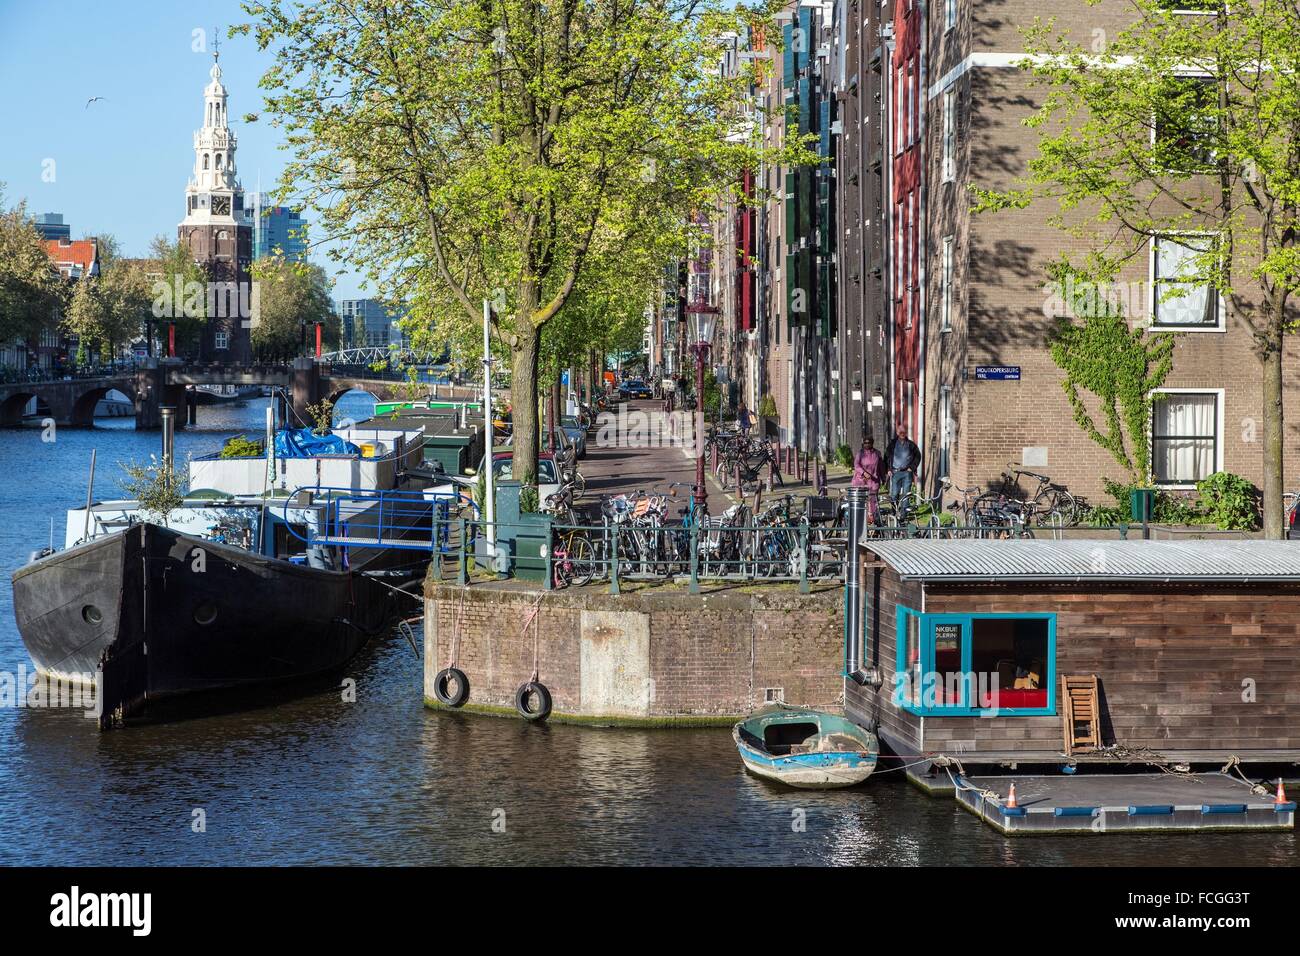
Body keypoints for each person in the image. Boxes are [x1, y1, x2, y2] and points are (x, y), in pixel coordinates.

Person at [884, 423, 921, 519]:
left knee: (906, 494)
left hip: (907, 473)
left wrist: (912, 468)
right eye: (900, 432)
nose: (902, 433)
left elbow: (918, 456)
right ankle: (894, 511)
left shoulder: (911, 444)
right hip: (895, 472)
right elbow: (886, 456)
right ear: (897, 432)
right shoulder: (892, 444)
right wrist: (888, 469)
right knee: (894, 494)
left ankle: (904, 513)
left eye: (904, 432)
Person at [851, 435, 885, 523]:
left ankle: (872, 520)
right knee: (862, 501)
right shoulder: (860, 454)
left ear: (872, 443)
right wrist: (863, 472)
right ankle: (860, 519)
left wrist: (883, 478)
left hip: (873, 481)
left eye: (868, 443)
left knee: (873, 501)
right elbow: (856, 465)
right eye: (865, 443)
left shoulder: (877, 453)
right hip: (860, 481)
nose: (866, 444)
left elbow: (881, 466)